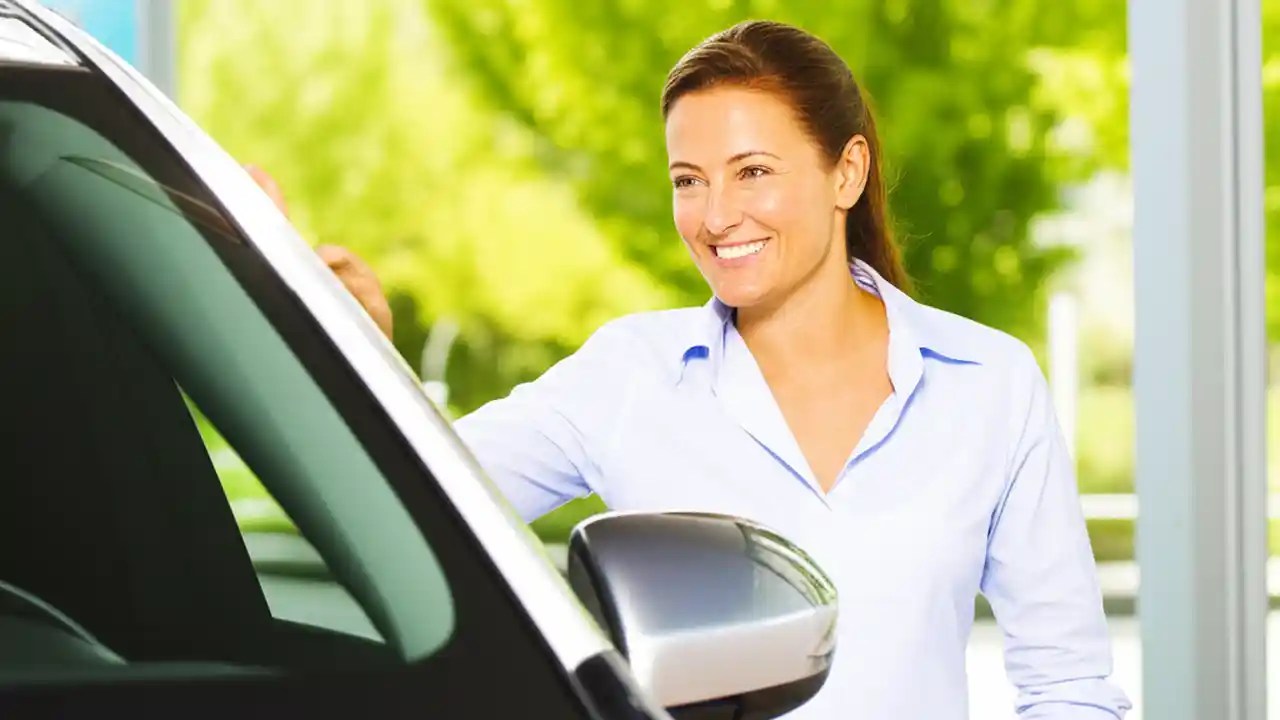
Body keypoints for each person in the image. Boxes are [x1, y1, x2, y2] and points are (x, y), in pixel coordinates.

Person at [252, 20, 1130, 720]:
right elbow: (400, 507)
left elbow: (1070, 687)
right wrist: (341, 346)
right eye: (688, 180)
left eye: (753, 172)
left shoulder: (988, 382)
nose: (715, 215)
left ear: (847, 170)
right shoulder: (630, 376)